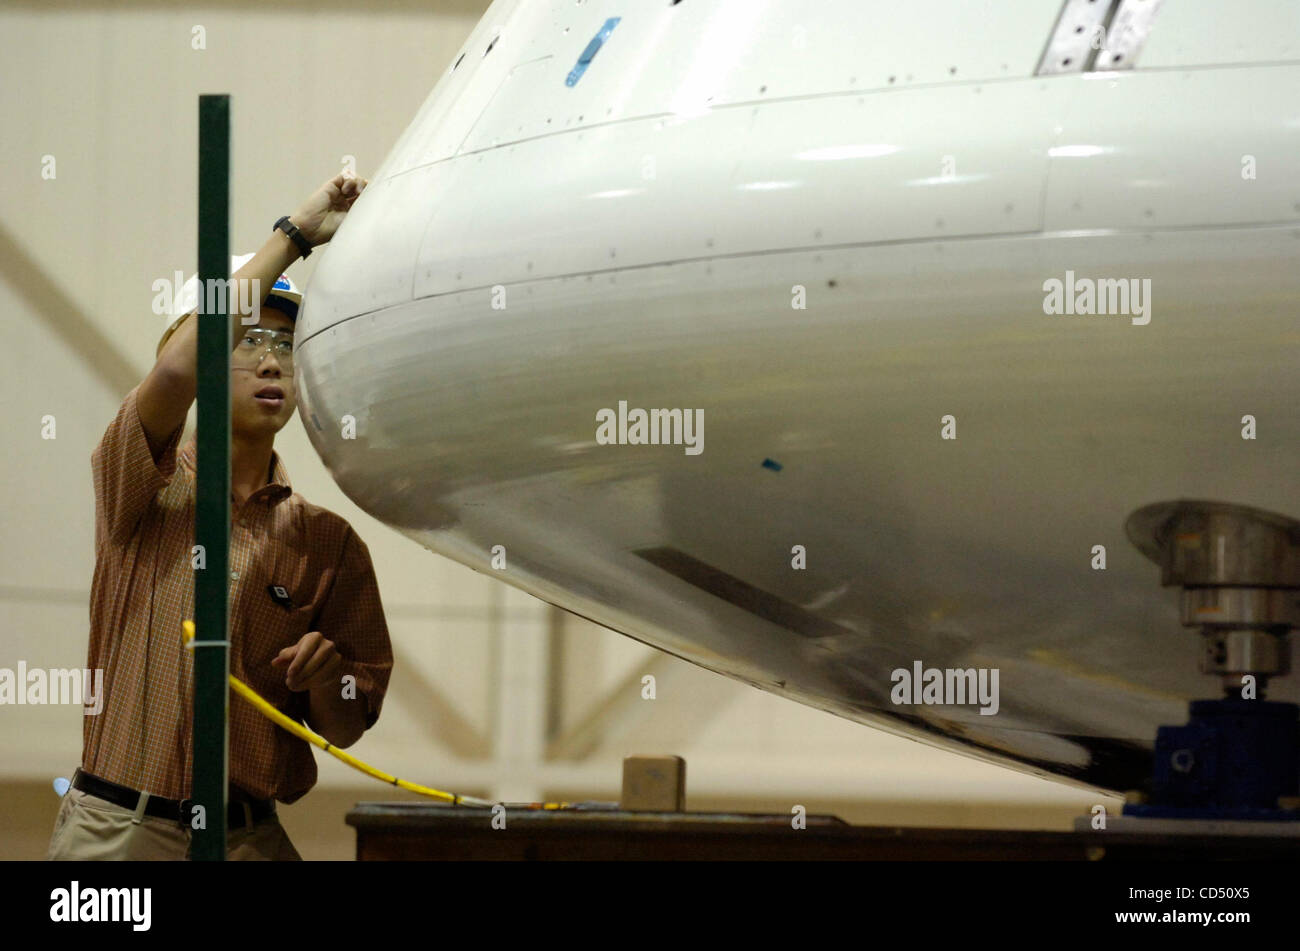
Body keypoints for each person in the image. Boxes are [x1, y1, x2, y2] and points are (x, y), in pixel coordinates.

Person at [47, 174, 393, 860]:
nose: (271, 360)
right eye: (249, 339)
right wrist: (295, 233)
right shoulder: (143, 485)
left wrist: (327, 680)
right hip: (119, 834)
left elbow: (348, 721)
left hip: (246, 837)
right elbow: (178, 375)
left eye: (288, 347)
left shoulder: (328, 545)